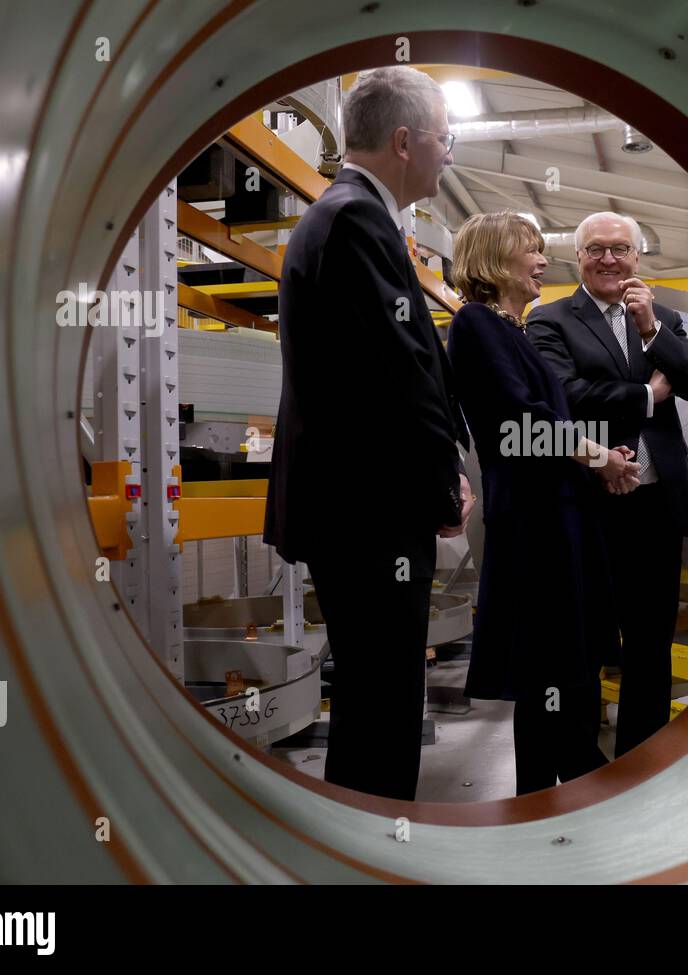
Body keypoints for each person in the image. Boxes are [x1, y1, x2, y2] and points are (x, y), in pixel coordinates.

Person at [264, 66, 473, 801]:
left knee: (374, 694)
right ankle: (379, 842)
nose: (449, 155)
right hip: (371, 514)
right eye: (444, 140)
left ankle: (368, 839)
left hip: (358, 509)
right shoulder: (356, 218)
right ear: (405, 139)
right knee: (383, 702)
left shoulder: (349, 215)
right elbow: (403, 373)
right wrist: (442, 484)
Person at [446, 211, 639, 794]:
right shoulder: (477, 325)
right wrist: (595, 456)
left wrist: (600, 457)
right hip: (534, 523)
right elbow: (518, 427)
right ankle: (576, 784)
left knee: (558, 669)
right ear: (497, 258)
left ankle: (547, 794)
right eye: (531, 250)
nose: (541, 262)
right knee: (549, 668)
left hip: (557, 516)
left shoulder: (513, 329)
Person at [527, 212, 688, 757]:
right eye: (596, 249)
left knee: (652, 643)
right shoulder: (551, 320)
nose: (609, 259)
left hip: (657, 507)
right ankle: (583, 766)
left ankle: (643, 757)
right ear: (577, 257)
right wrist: (647, 396)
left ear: (639, 256)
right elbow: (563, 393)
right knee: (586, 642)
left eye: (620, 249)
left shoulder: (664, 320)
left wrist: (653, 329)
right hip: (591, 505)